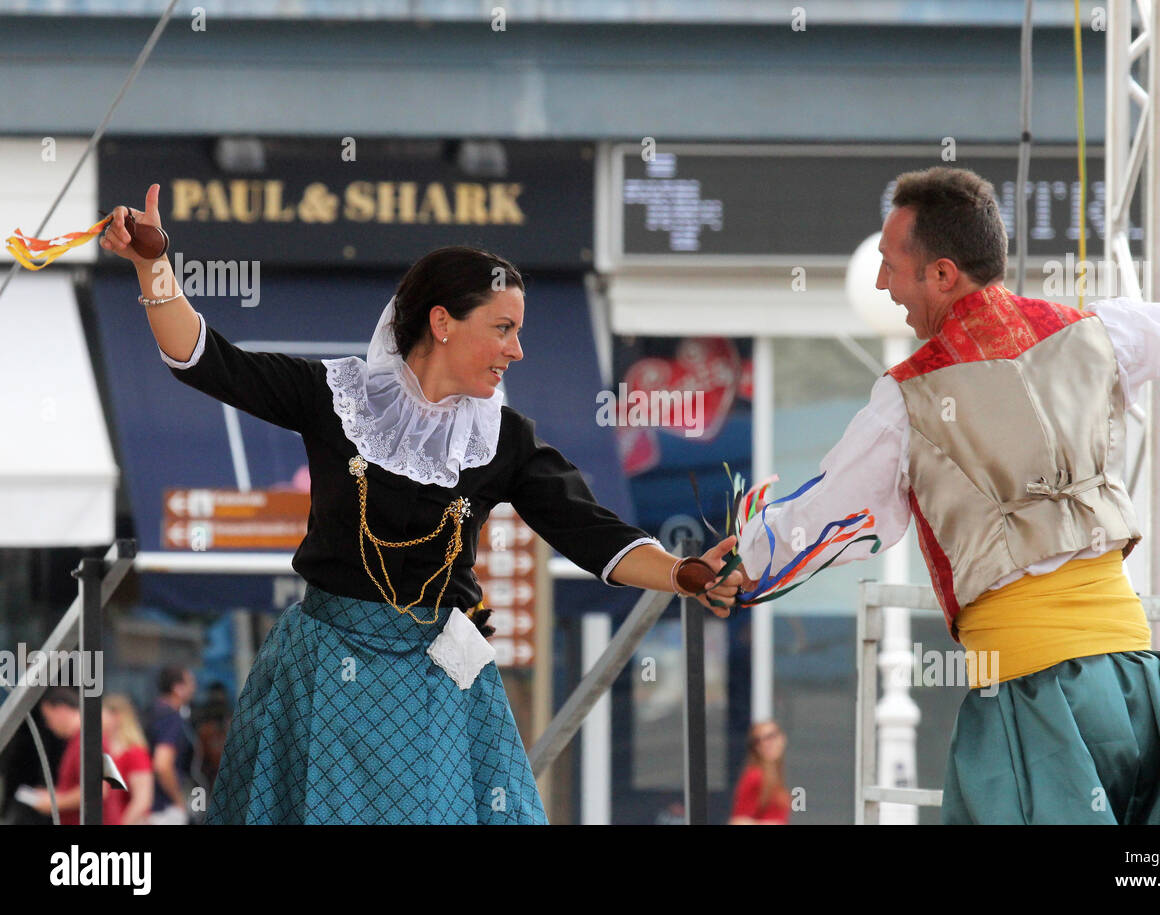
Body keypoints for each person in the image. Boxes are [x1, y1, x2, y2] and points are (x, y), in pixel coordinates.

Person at [100, 185, 744, 825]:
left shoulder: (503, 440)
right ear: (441, 322)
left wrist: (684, 574)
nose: (516, 350)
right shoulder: (334, 396)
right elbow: (208, 362)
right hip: (324, 668)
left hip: (437, 683)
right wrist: (154, 268)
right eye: (502, 328)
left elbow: (593, 533)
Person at [735, 166, 1160, 824]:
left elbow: (823, 518)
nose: (883, 283)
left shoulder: (907, 399)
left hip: (1032, 692)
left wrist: (736, 563)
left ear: (944, 275)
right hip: (1133, 681)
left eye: (892, 265)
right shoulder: (1097, 333)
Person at [145, 665, 195, 824]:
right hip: (164, 808)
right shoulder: (170, 717)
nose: (194, 687)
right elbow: (162, 764)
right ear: (178, 688)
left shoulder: (153, 711)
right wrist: (178, 800)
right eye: (190, 682)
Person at [28, 687, 85, 824]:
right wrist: (52, 795)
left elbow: (98, 789)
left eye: (48, 719)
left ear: (61, 710)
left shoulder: (88, 741)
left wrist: (55, 802)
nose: (49, 726)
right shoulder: (75, 742)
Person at [103, 694, 154, 825]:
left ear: (117, 716)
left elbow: (142, 800)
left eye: (103, 715)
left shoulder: (135, 753)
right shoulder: (105, 752)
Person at [729, 720, 790, 825]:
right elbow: (738, 821)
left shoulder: (775, 775)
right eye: (758, 741)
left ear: (782, 738)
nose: (766, 744)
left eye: (770, 736)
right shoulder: (755, 776)